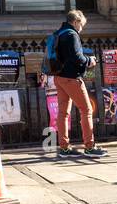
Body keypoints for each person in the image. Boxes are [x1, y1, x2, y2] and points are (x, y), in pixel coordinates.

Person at [38, 9, 107, 161]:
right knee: (87, 110)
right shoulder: (72, 35)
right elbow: (77, 57)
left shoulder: (59, 33)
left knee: (63, 113)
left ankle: (64, 148)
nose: (81, 28)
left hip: (59, 78)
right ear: (75, 22)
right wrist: (90, 61)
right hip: (72, 79)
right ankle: (90, 147)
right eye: (81, 24)